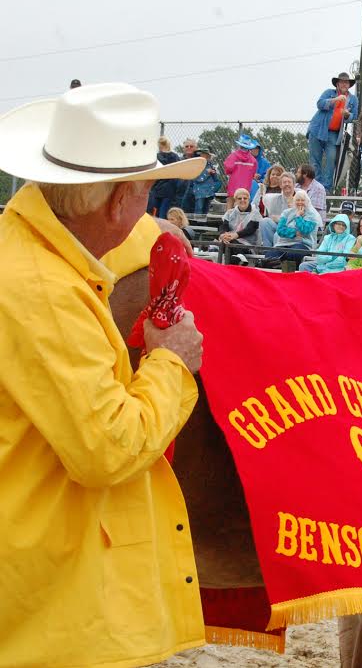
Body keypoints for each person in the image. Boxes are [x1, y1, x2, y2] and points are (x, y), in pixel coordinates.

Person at [0, 82, 206, 667]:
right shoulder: (44, 293)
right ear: (120, 201)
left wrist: (163, 237)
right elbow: (109, 447)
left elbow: (119, 236)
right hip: (56, 617)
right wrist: (171, 360)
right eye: (146, 192)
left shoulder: (36, 238)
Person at [306, 72, 358, 190]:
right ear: (337, 84)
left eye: (347, 82)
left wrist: (347, 115)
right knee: (315, 161)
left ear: (349, 85)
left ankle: (326, 189)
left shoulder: (353, 99)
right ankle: (315, 187)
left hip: (334, 134)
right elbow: (319, 104)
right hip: (317, 129)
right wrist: (335, 100)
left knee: (331, 159)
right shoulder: (329, 93)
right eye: (342, 82)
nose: (344, 84)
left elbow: (354, 116)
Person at [262, 189, 321, 267]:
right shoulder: (286, 213)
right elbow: (280, 230)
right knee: (270, 255)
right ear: (294, 201)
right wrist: (295, 233)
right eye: (298, 200)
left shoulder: (312, 215)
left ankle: (284, 267)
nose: (300, 202)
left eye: (302, 200)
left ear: (307, 201)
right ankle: (278, 268)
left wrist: (298, 216)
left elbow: (305, 230)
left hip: (303, 244)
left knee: (293, 253)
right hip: (283, 243)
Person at [148, 136, 181, 218]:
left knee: (155, 212)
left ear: (159, 145)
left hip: (157, 188)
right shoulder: (174, 157)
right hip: (169, 189)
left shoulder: (156, 157)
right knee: (164, 212)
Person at [260, 173, 297, 248]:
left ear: (294, 185)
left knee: (278, 234)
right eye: (284, 182)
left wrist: (280, 218)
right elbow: (272, 217)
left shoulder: (299, 199)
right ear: (280, 185)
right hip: (278, 226)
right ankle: (267, 251)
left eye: (289, 182)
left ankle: (277, 254)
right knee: (264, 222)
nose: (287, 184)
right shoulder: (274, 199)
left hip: (293, 230)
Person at [186, 143, 222, 215]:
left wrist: (213, 173)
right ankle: (198, 223)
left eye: (208, 155)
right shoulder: (198, 165)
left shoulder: (210, 164)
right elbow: (197, 178)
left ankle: (203, 223)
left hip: (208, 191)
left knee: (206, 208)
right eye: (205, 154)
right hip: (200, 192)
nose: (208, 156)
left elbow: (215, 179)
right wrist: (207, 172)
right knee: (199, 208)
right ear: (202, 155)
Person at [223, 134, 258, 207]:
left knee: (230, 206)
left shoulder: (233, 156)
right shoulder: (253, 160)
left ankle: (227, 218)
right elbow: (253, 174)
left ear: (240, 145)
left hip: (233, 186)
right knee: (243, 207)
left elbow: (227, 169)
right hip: (245, 188)